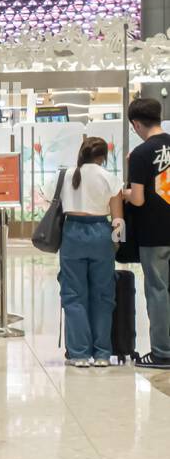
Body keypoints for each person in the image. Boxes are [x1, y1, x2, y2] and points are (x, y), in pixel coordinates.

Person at [58, 137, 123, 367]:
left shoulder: (66, 176)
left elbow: (50, 199)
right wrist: (116, 246)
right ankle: (103, 354)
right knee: (104, 296)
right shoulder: (109, 178)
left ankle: (79, 354)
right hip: (100, 234)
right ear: (103, 156)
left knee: (73, 295)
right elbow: (117, 221)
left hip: (72, 234)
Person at [124, 97, 170, 369]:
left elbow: (138, 199)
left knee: (158, 291)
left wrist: (124, 193)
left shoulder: (141, 154)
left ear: (137, 124)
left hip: (155, 234)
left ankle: (163, 352)